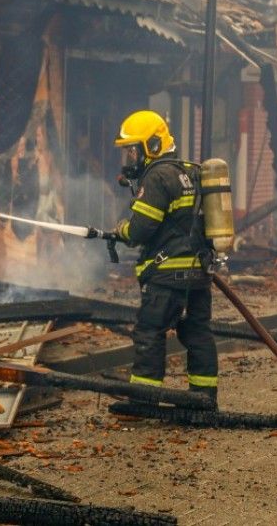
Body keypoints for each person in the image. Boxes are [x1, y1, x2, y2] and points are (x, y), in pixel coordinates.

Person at [112, 110, 219, 407]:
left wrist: (121, 230)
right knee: (198, 333)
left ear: (152, 146)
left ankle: (144, 402)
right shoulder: (192, 171)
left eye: (132, 150)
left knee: (150, 333)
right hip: (199, 273)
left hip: (166, 275)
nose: (129, 157)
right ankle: (204, 397)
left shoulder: (158, 176)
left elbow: (141, 230)